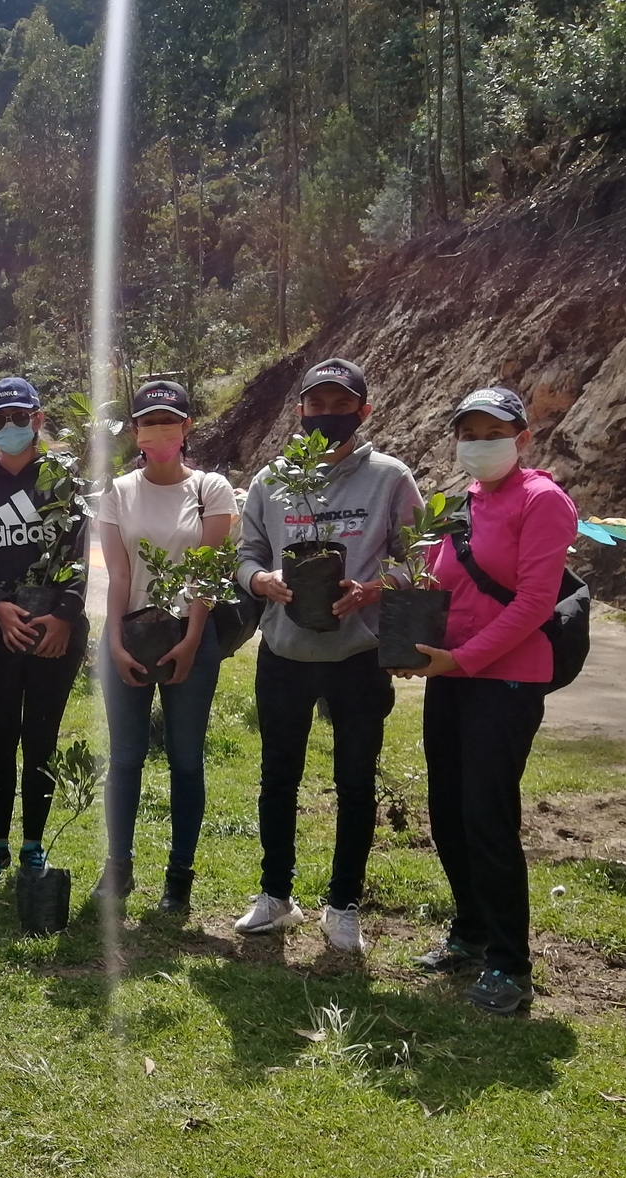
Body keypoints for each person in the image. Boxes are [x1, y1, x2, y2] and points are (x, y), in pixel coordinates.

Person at [400, 387, 577, 1014]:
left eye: (492, 431)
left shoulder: (543, 500)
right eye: (468, 432)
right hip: (450, 675)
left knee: (487, 815)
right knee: (447, 809)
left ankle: (509, 962)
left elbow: (534, 602)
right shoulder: (458, 505)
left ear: (522, 437)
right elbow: (435, 584)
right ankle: (470, 933)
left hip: (504, 682)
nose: (479, 443)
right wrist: (386, 604)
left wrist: (465, 659)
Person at [235, 357, 420, 951]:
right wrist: (261, 581)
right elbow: (247, 555)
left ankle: (343, 905)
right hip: (285, 652)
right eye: (318, 406)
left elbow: (417, 557)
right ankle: (275, 894)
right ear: (301, 413)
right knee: (278, 777)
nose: (329, 416)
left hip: (358, 656)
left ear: (363, 412)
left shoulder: (390, 478)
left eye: (342, 406)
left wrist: (373, 589)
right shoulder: (273, 480)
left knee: (354, 781)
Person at [93, 380, 238, 914]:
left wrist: (193, 638)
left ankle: (179, 876)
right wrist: (113, 644)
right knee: (126, 758)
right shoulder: (119, 492)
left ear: (186, 428)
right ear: (135, 431)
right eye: (148, 422)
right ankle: (119, 868)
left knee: (185, 760)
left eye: (168, 421)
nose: (158, 430)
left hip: (190, 639)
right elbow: (118, 574)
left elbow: (209, 573)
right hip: (130, 636)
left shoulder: (211, 490)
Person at [0, 377, 90, 885]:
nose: (8, 427)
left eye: (18, 417)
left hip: (55, 634)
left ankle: (34, 844)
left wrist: (64, 616)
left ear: (38, 418)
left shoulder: (63, 480)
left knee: (41, 738)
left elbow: (79, 552)